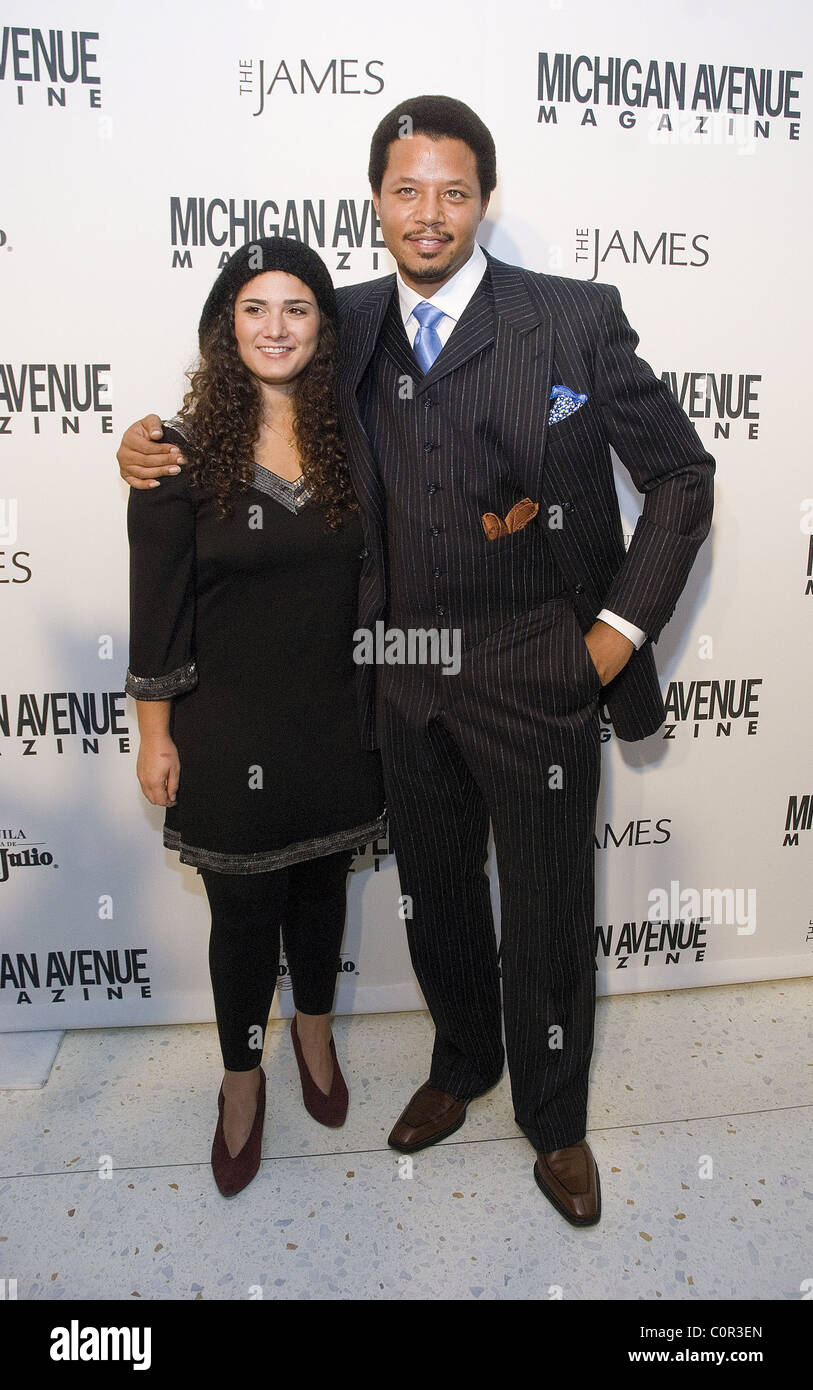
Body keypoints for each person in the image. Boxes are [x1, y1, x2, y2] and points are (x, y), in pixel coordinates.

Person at [118, 96, 714, 1227]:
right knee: (438, 894)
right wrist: (149, 444)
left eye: (452, 190)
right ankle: (463, 1064)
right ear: (377, 203)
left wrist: (610, 639)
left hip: (540, 666)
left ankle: (555, 1118)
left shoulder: (575, 321)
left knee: (543, 905)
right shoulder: (342, 324)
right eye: (406, 190)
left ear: (486, 199)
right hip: (398, 672)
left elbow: (682, 480)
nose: (428, 213)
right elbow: (249, 376)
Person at [125, 236, 386, 1198]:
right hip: (226, 730)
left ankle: (314, 1034)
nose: (275, 328)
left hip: (338, 722)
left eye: (297, 309)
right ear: (224, 325)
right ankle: (243, 1082)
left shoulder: (357, 440)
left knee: (323, 893)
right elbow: (155, 614)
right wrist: (154, 735)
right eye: (253, 309)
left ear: (325, 326)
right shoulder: (172, 458)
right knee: (241, 915)